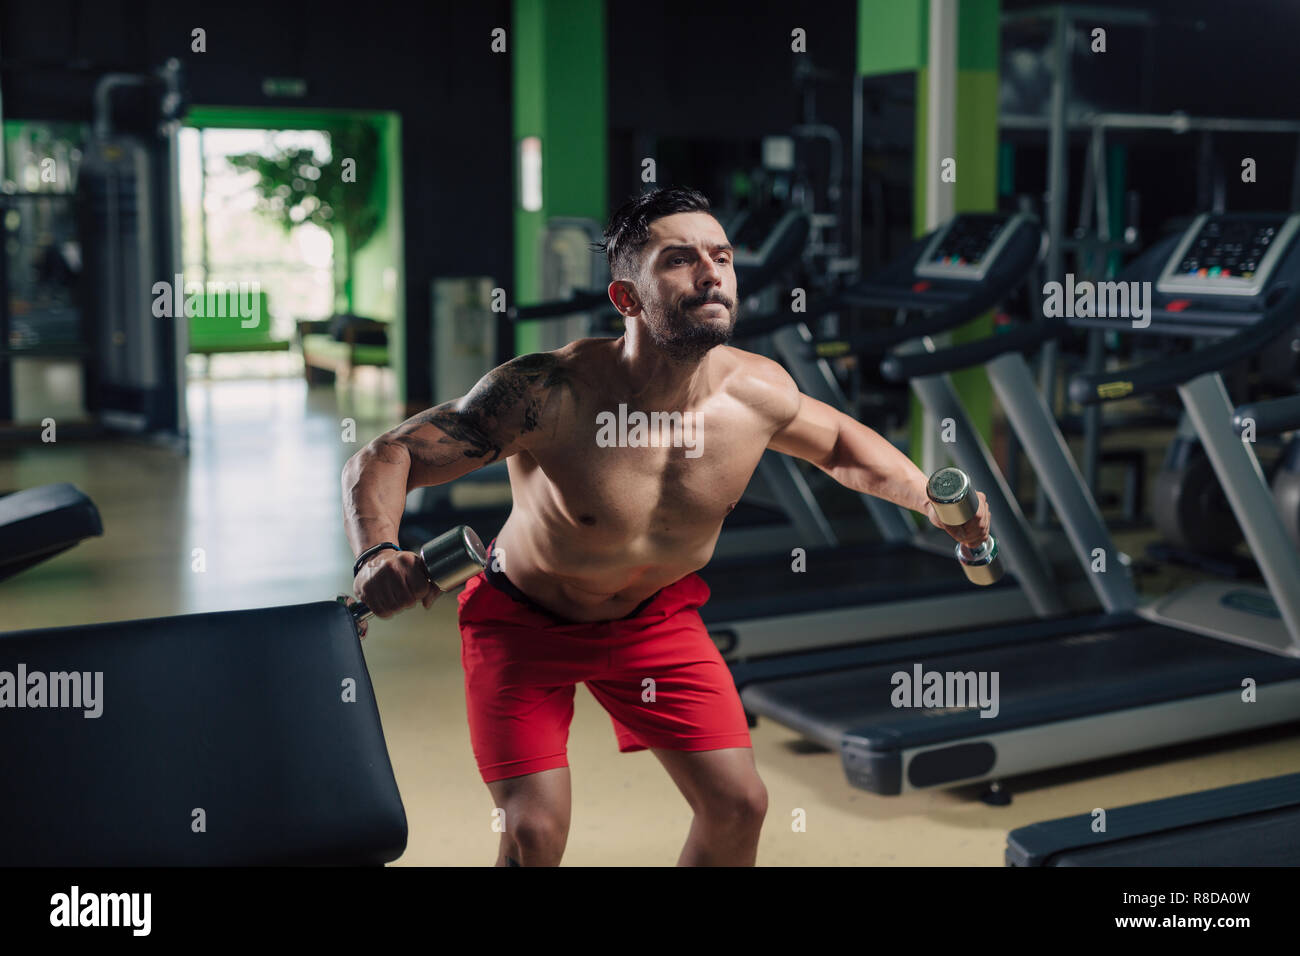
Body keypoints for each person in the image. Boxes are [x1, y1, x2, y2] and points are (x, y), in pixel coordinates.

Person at [341, 186, 990, 866]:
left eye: (722, 256)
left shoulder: (755, 392)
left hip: (654, 622)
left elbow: (841, 447)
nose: (711, 273)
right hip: (523, 622)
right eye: (680, 259)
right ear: (627, 298)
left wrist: (933, 501)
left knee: (740, 806)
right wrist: (375, 556)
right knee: (532, 834)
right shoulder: (548, 393)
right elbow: (389, 454)